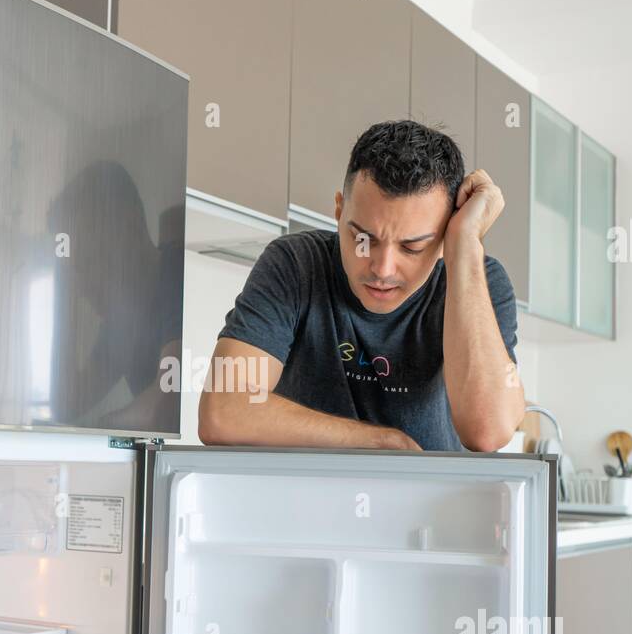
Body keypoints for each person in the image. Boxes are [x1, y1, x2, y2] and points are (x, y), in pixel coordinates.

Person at [198, 118, 525, 452]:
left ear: (443, 239)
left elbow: (488, 431)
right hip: (298, 500)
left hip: (430, 504)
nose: (382, 269)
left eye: (412, 247)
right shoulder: (294, 263)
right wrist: (382, 441)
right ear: (339, 211)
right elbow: (223, 411)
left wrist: (466, 246)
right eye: (363, 238)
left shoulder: (480, 280)